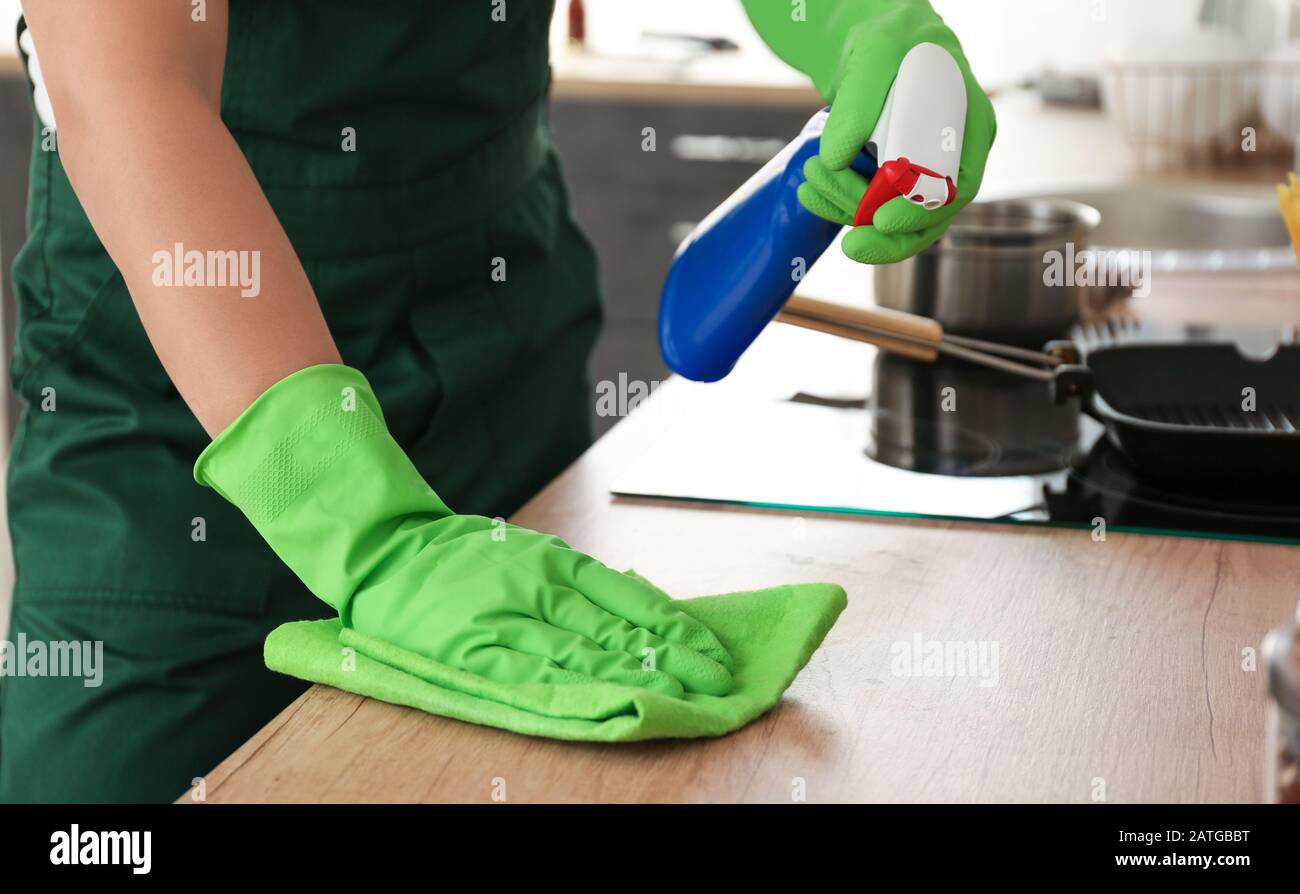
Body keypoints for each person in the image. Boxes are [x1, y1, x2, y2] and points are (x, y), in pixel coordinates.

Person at [0, 0, 994, 803]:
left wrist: (858, 19)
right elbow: (130, 89)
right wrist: (368, 525)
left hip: (494, 349)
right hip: (175, 425)